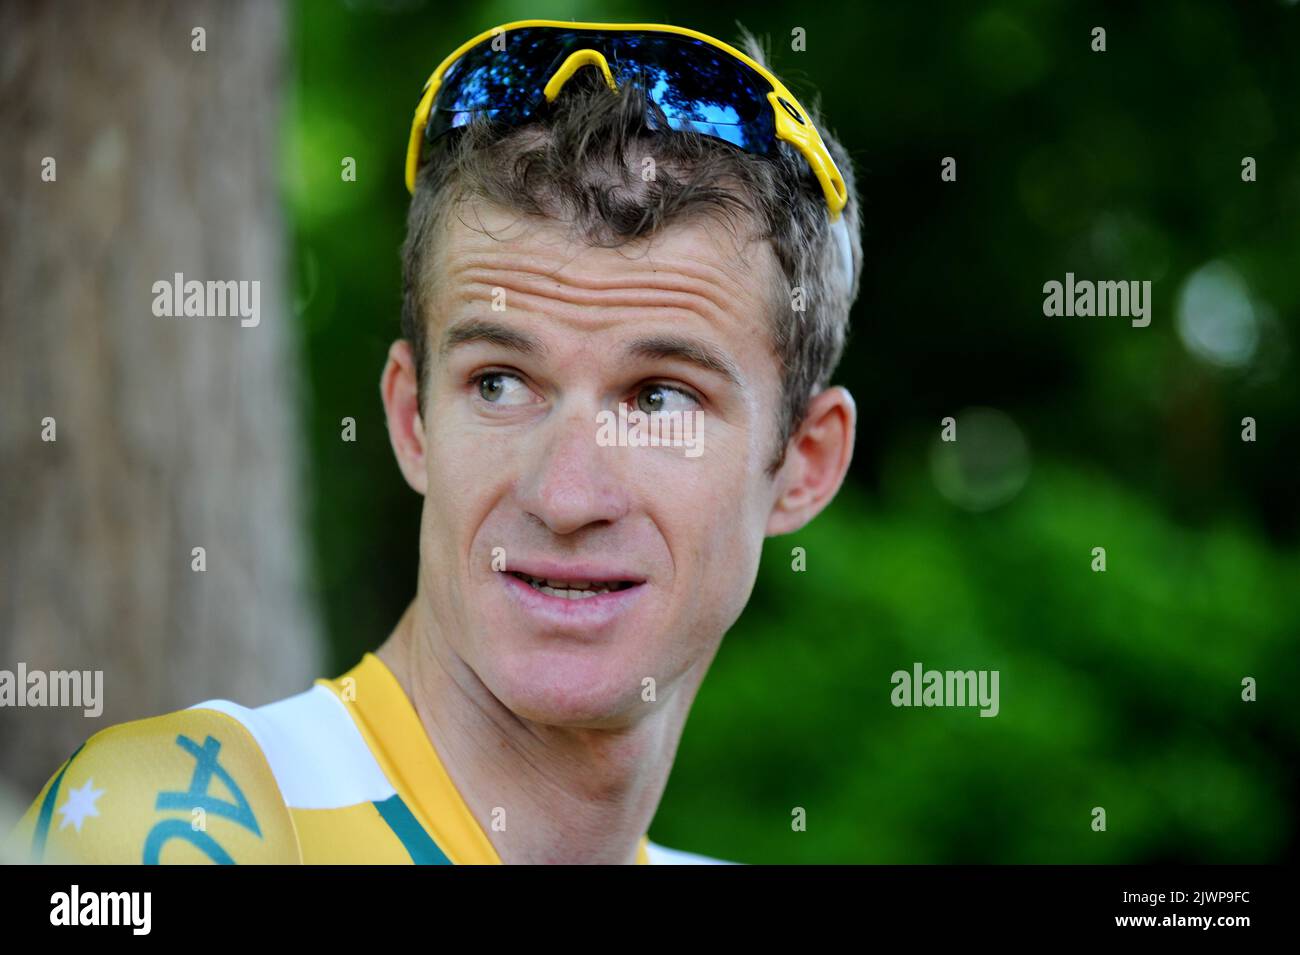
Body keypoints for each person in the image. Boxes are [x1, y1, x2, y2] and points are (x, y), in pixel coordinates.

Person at [7, 18, 862, 865]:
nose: (565, 496)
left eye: (659, 397)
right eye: (499, 383)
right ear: (411, 417)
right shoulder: (176, 823)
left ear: (804, 464)